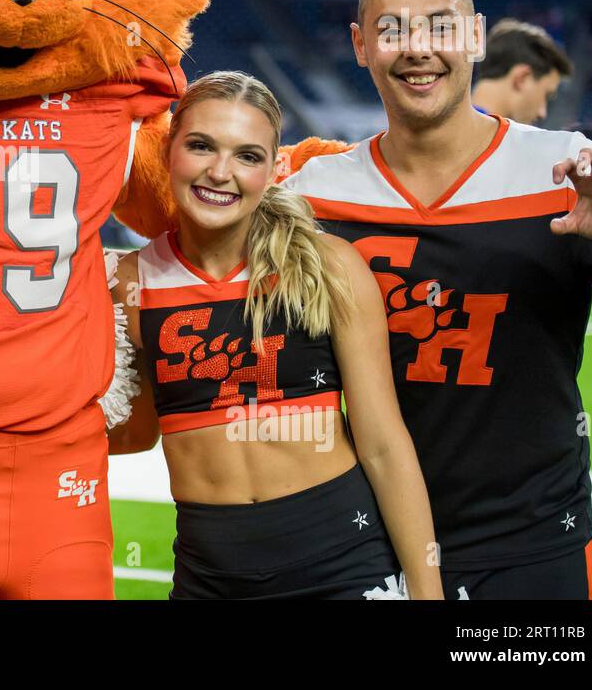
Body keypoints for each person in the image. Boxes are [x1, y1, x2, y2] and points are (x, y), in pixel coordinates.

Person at [284, 0, 592, 599]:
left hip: (530, 546)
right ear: (361, 45)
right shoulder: (313, 195)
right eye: (392, 29)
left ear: (475, 35)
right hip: (364, 543)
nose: (418, 48)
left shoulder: (564, 171)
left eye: (440, 25)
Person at [109, 71, 441, 599]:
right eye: (200, 146)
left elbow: (382, 442)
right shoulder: (128, 281)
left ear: (270, 169)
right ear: (168, 150)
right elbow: (136, 432)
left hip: (344, 561)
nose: (221, 173)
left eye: (247, 156)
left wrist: (427, 591)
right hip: (209, 575)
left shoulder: (325, 264)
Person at [471, 18, 572, 125]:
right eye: (546, 95)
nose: (542, 113)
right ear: (522, 78)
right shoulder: (474, 136)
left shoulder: (457, 127)